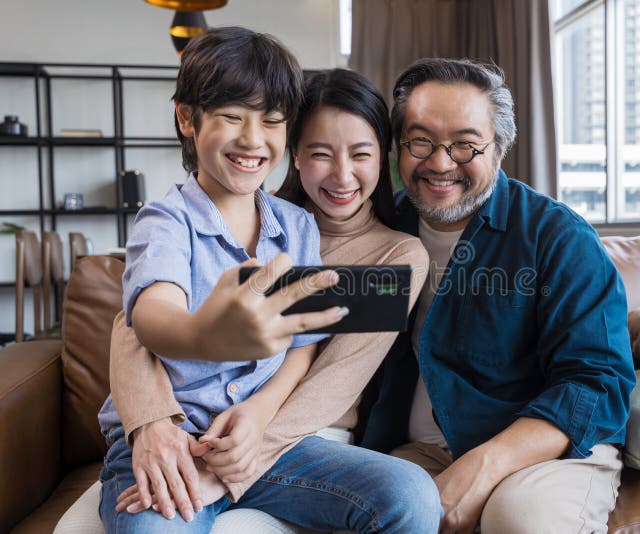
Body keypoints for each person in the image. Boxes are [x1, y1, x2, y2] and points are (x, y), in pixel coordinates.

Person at [96, 29, 439, 533]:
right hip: (185, 437)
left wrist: (252, 433)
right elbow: (139, 321)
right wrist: (153, 418)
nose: (342, 175)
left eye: (361, 154)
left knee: (409, 495)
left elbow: (323, 367)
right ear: (296, 155)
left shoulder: (389, 256)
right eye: (321, 152)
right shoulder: (183, 220)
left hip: (283, 444)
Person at [355, 57, 637, 534]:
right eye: (420, 141)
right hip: (415, 452)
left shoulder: (557, 237)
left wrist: (482, 467)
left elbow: (597, 382)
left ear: (500, 149)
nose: (440, 163)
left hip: (546, 451)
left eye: (465, 144)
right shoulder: (379, 228)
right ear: (397, 148)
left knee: (519, 519)